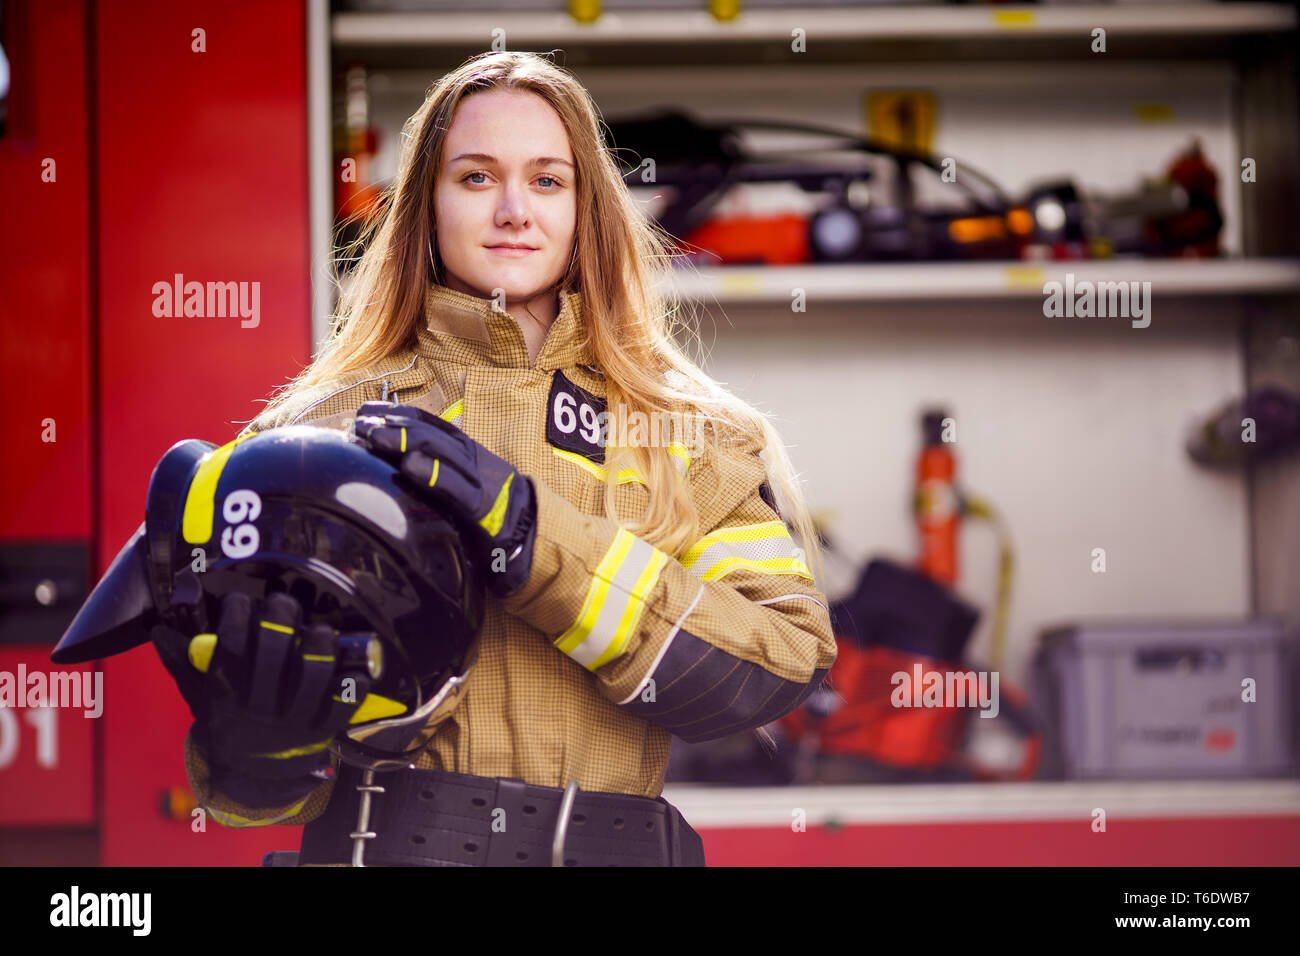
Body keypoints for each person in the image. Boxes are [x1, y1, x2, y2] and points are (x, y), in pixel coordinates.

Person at [177, 50, 837, 866]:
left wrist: (536, 539)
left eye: (548, 181)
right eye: (477, 178)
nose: (514, 210)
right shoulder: (318, 435)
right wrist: (256, 750)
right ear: (426, 207)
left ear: (586, 209)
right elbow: (259, 796)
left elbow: (779, 665)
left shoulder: (686, 434)